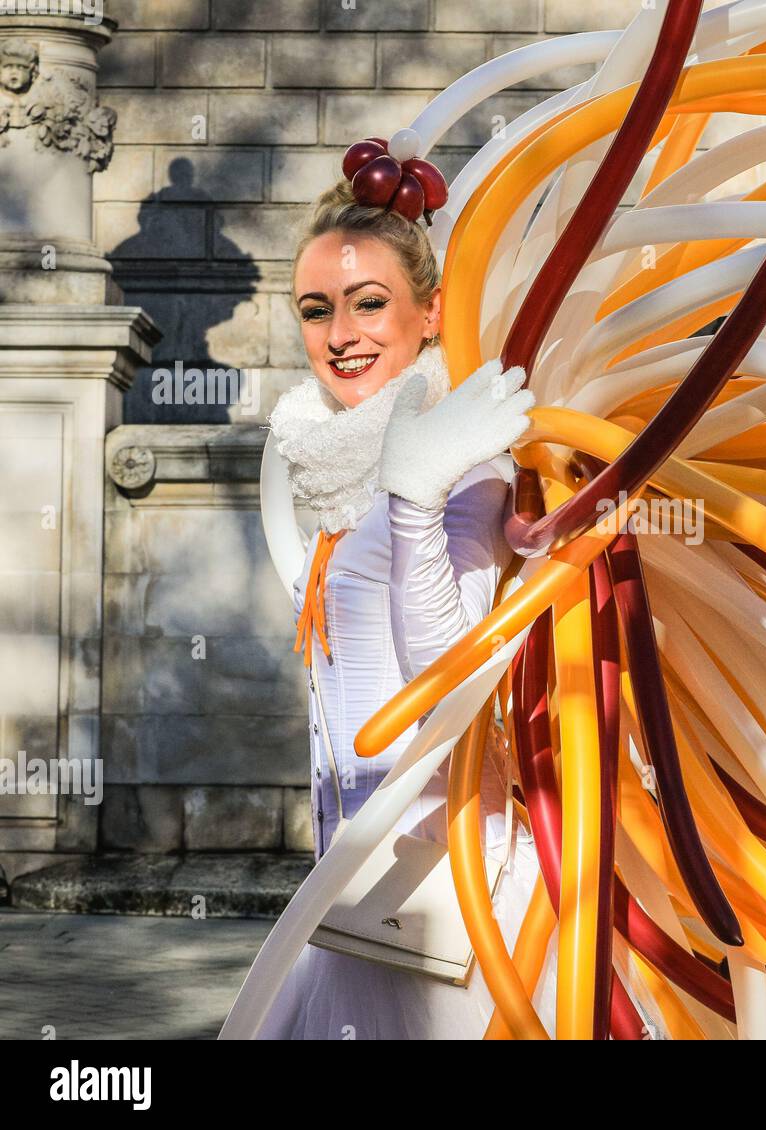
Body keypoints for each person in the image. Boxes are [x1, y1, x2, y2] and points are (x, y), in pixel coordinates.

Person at [257, 175, 551, 1039]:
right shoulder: (338, 464)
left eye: (368, 303)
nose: (340, 336)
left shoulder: (462, 458)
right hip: (358, 892)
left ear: (430, 314)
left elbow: (449, 685)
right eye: (317, 311)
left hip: (444, 901)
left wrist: (418, 497)